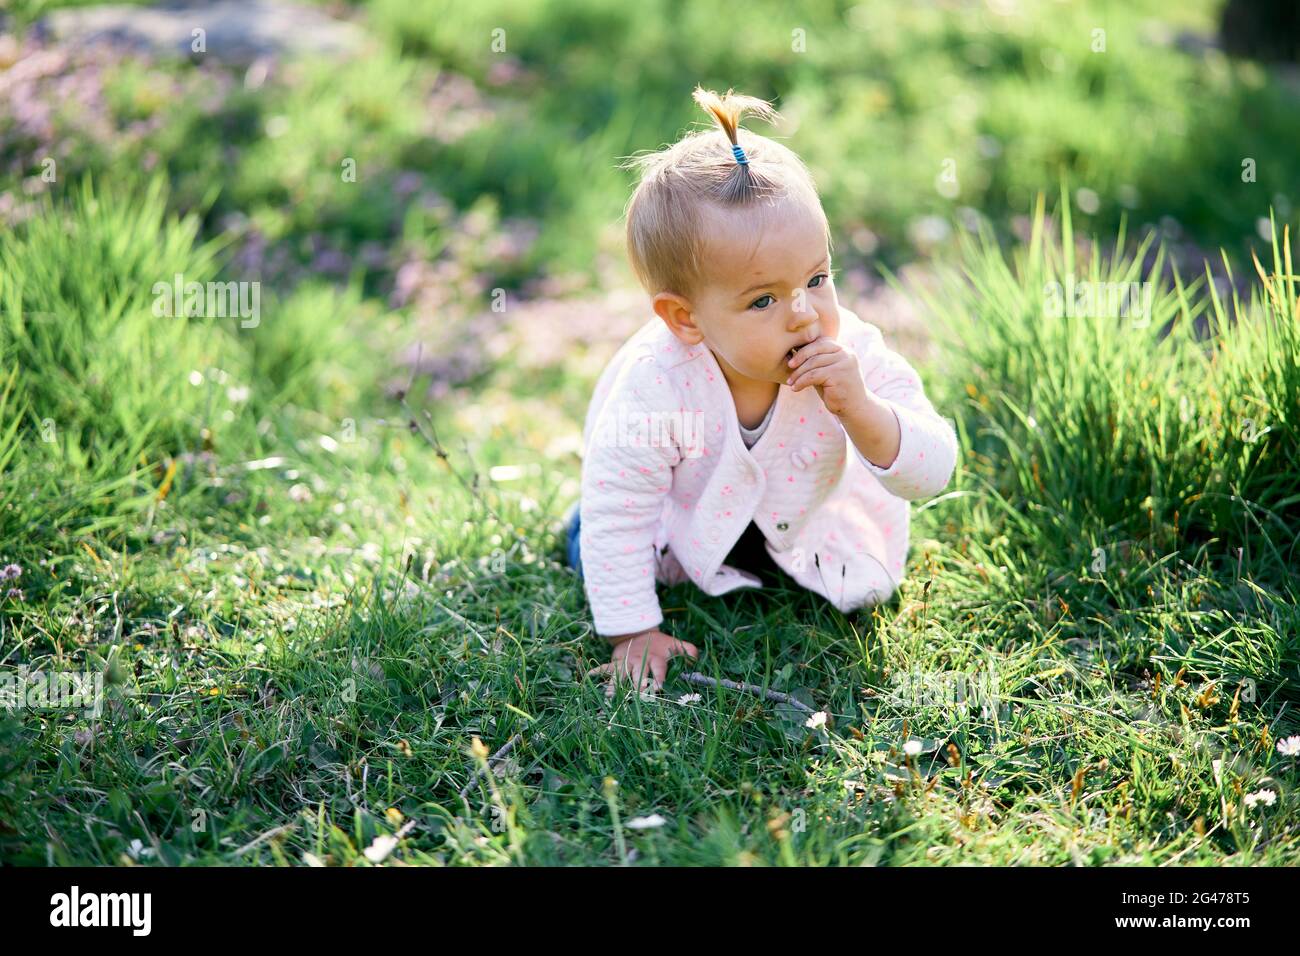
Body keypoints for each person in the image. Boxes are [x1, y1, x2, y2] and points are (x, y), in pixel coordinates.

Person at [569, 87, 957, 694]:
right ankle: (581, 531)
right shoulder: (659, 386)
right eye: (764, 299)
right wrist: (632, 631)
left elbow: (932, 472)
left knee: (847, 571)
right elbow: (621, 507)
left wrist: (864, 411)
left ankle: (773, 558)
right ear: (686, 319)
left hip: (807, 520)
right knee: (599, 532)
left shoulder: (851, 353)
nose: (805, 316)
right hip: (684, 522)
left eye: (817, 278)